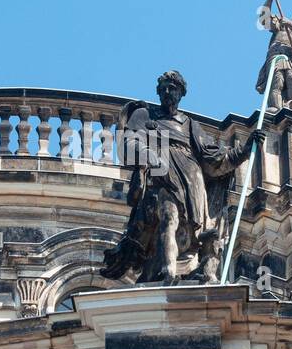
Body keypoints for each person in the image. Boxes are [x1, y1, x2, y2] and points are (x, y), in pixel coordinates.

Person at [102, 70, 263, 283]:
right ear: (158, 93)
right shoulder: (144, 115)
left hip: (191, 175)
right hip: (161, 171)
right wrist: (149, 156)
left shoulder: (189, 125)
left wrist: (244, 150)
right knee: (168, 217)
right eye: (164, 88)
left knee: (194, 233)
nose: (168, 92)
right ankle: (168, 272)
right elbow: (128, 144)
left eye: (173, 88)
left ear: (181, 93)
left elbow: (213, 159)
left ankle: (191, 269)